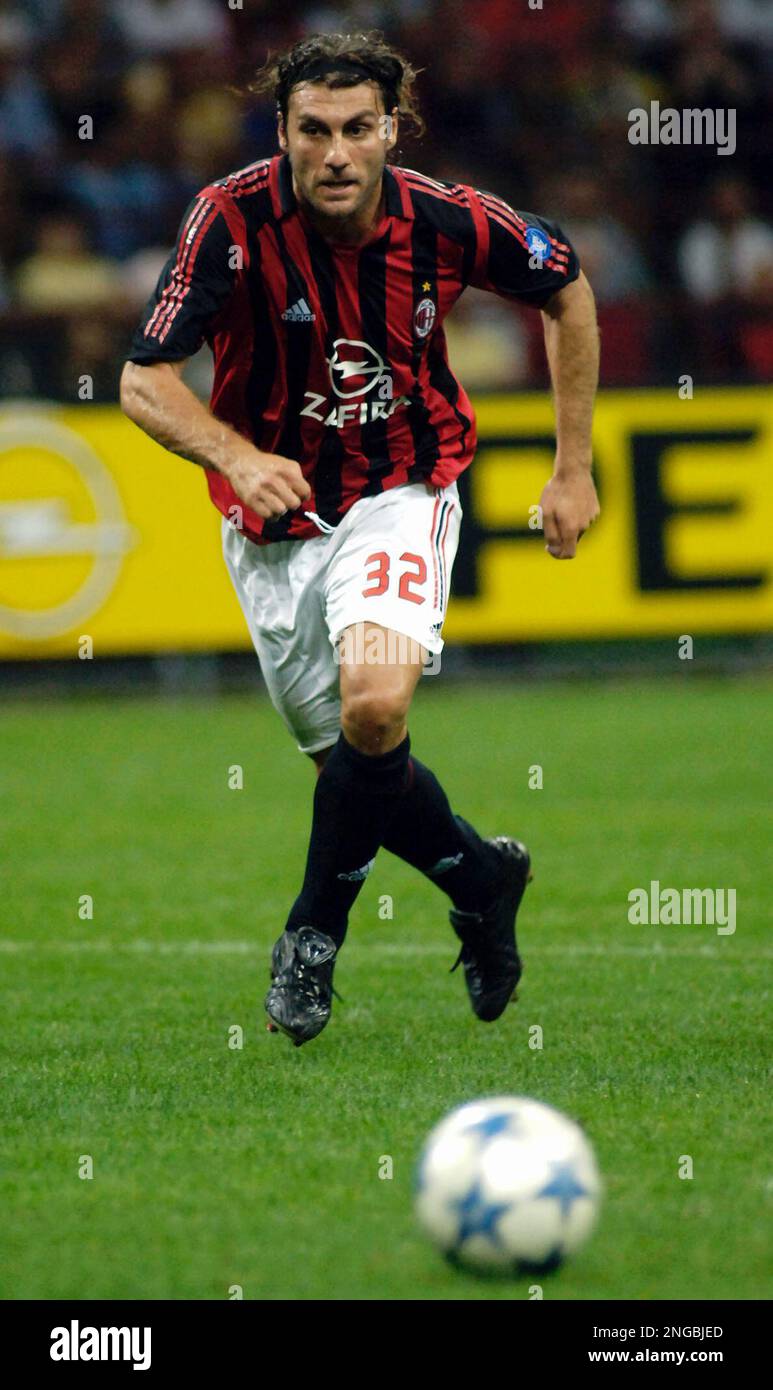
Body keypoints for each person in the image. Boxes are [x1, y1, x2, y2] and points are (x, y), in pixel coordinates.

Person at [120, 32, 600, 1047]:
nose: (335, 153)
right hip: (271, 525)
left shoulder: (447, 218)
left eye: (357, 129)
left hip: (399, 487)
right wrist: (235, 455)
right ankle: (479, 876)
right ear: (283, 131)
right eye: (313, 130)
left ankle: (310, 935)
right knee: (357, 758)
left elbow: (564, 287)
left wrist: (572, 466)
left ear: (392, 127)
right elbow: (142, 379)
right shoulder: (229, 219)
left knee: (374, 706)